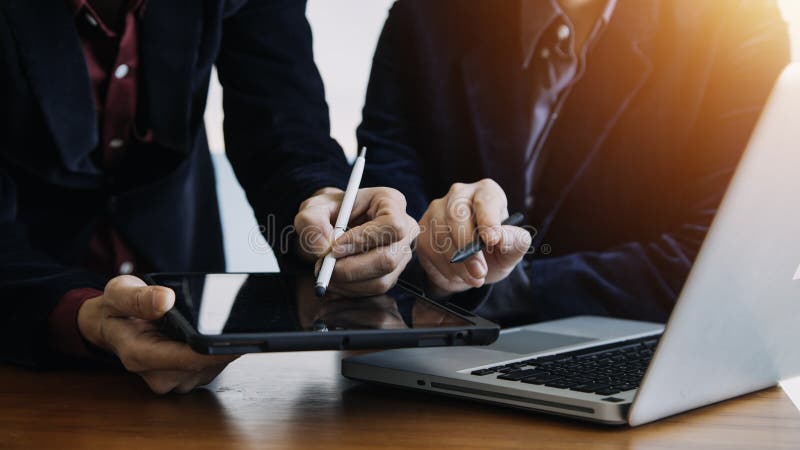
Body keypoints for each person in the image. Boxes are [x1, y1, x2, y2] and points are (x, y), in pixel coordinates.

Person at [0, 0, 417, 393]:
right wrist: (79, 312)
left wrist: (320, 197)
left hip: (193, 351)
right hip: (22, 334)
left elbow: (280, 122)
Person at [357, 0, 791, 326]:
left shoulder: (737, 23)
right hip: (434, 363)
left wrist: (503, 290)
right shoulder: (426, 17)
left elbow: (720, 259)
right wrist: (429, 263)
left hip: (638, 359)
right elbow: (390, 224)